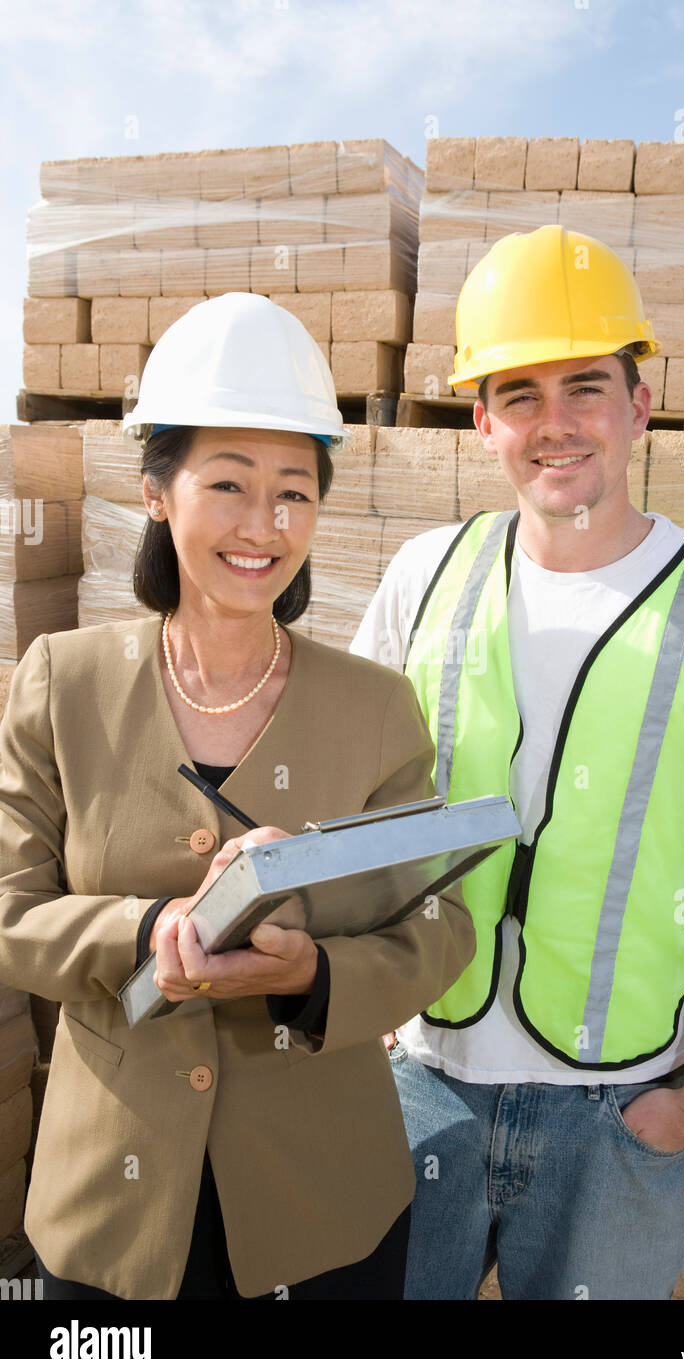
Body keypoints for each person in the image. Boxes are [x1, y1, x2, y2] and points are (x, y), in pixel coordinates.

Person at [351, 226, 684, 1300]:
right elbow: (356, 805)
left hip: (615, 1107)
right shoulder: (423, 576)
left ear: (637, 403)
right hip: (423, 1079)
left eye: (584, 387)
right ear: (479, 420)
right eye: (518, 394)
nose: (553, 423)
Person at [0, 292, 474, 1301]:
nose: (264, 526)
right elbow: (10, 912)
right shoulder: (60, 682)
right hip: (111, 1209)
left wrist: (309, 976)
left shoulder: (377, 709)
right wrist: (146, 933)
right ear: (157, 492)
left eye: (294, 493)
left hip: (322, 1206)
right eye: (228, 484)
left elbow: (436, 925)